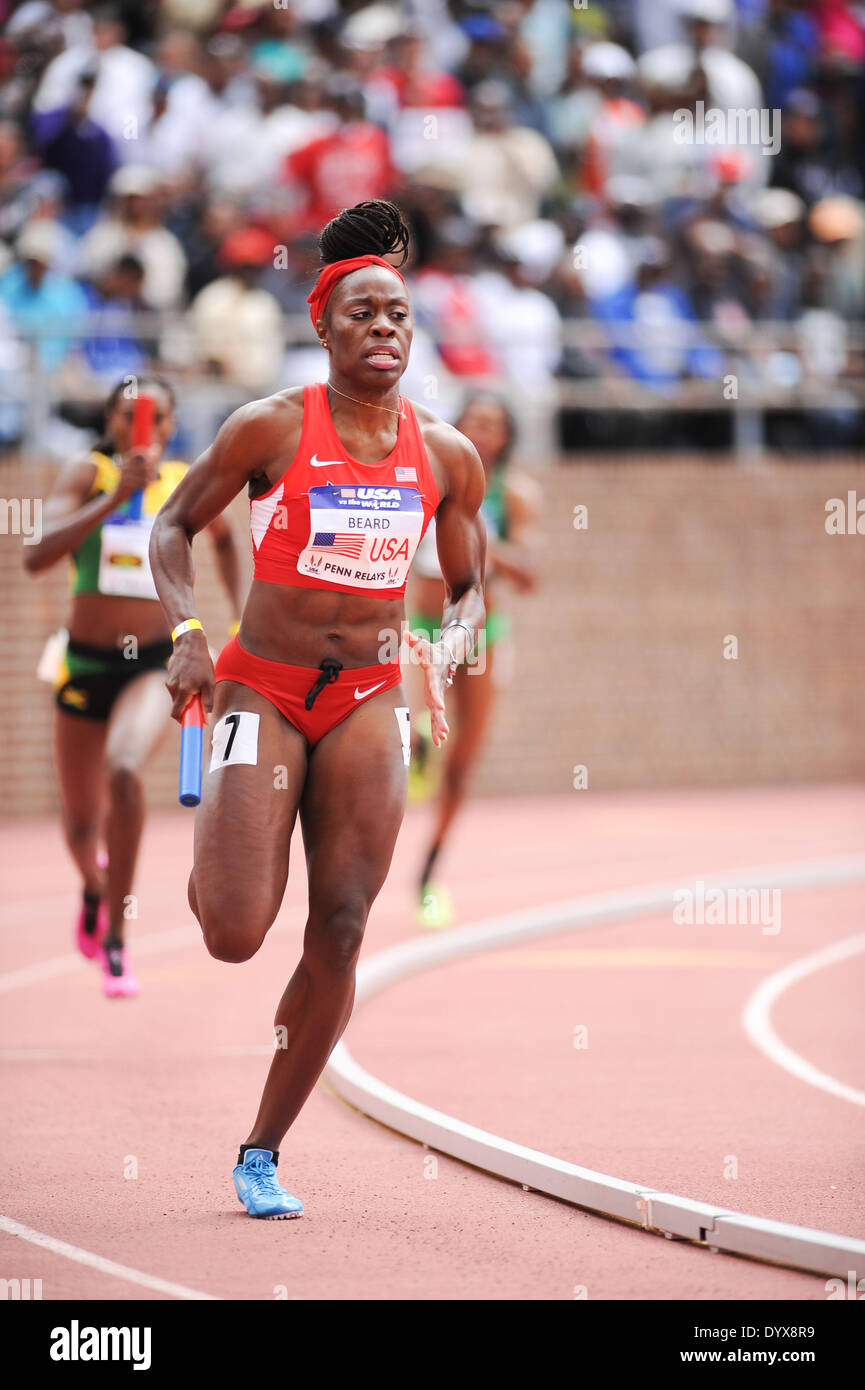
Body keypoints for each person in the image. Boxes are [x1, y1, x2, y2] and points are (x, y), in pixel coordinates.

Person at [149, 199, 486, 1219]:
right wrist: (186, 634)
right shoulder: (272, 427)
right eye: (364, 315)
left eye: (399, 316)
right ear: (324, 329)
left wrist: (447, 645)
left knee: (340, 924)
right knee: (236, 932)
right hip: (262, 684)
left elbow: (467, 587)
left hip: (370, 699)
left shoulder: (446, 456)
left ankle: (262, 1149)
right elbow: (172, 525)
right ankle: (220, 858)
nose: (385, 329)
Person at [23, 375, 243, 997]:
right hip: (86, 662)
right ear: (112, 422)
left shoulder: (181, 482)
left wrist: (238, 616)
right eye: (127, 416)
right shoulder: (86, 472)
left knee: (124, 769)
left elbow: (226, 542)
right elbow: (35, 555)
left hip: (153, 661)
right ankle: (94, 889)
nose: (142, 427)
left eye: (155, 418)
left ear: (172, 427)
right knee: (77, 824)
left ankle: (118, 937)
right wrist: (112, 496)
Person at [406, 394, 539, 926]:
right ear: (456, 425)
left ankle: (429, 876)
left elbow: (531, 576)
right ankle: (415, 742)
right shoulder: (424, 475)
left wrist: (482, 539)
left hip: (482, 633)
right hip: (421, 627)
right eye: (475, 422)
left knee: (462, 764)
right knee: (407, 725)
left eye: (496, 425)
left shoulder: (517, 495)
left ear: (508, 439)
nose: (484, 433)